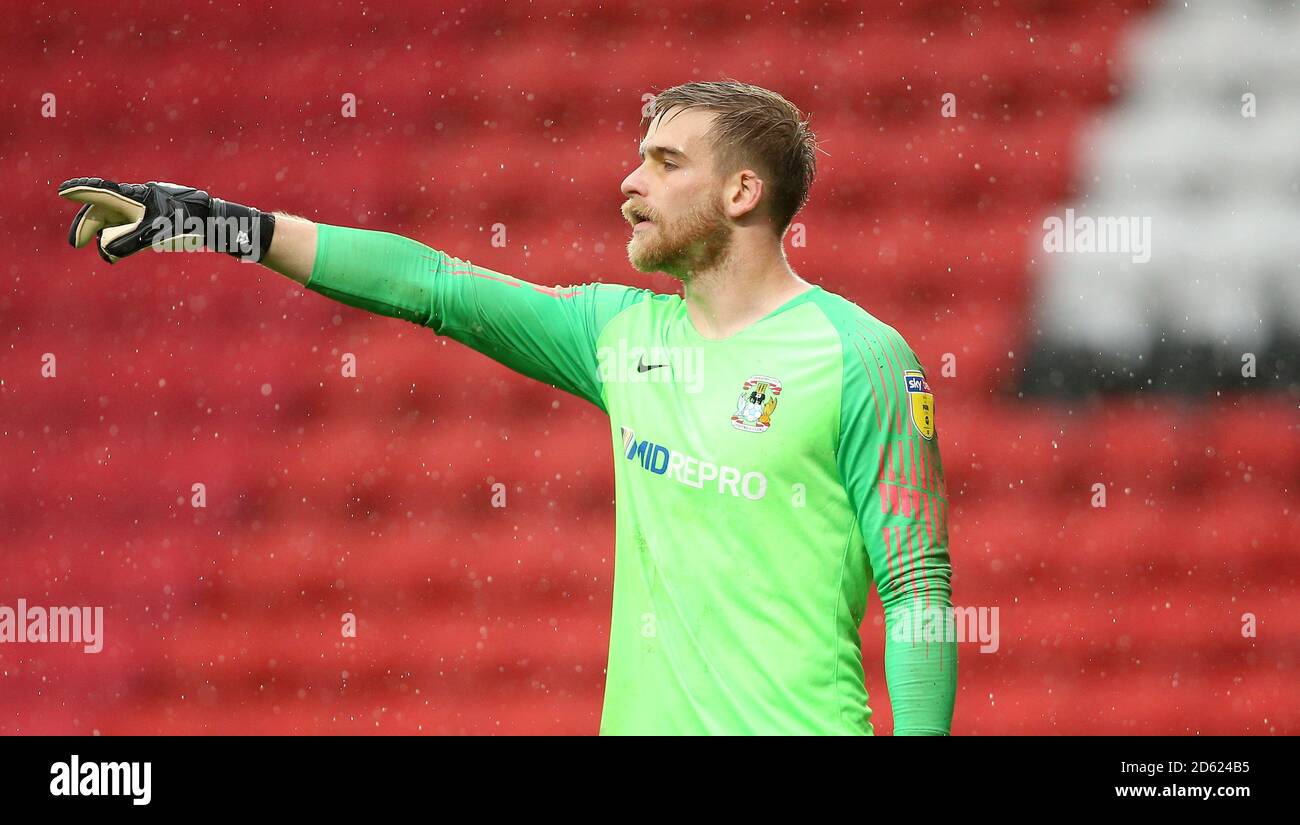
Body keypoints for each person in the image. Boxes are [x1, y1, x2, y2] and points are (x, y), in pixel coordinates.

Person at [57, 79, 956, 735]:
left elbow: (917, 589)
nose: (629, 182)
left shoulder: (863, 358)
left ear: (742, 193)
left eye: (664, 161)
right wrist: (217, 222)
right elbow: (435, 285)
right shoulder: (618, 335)